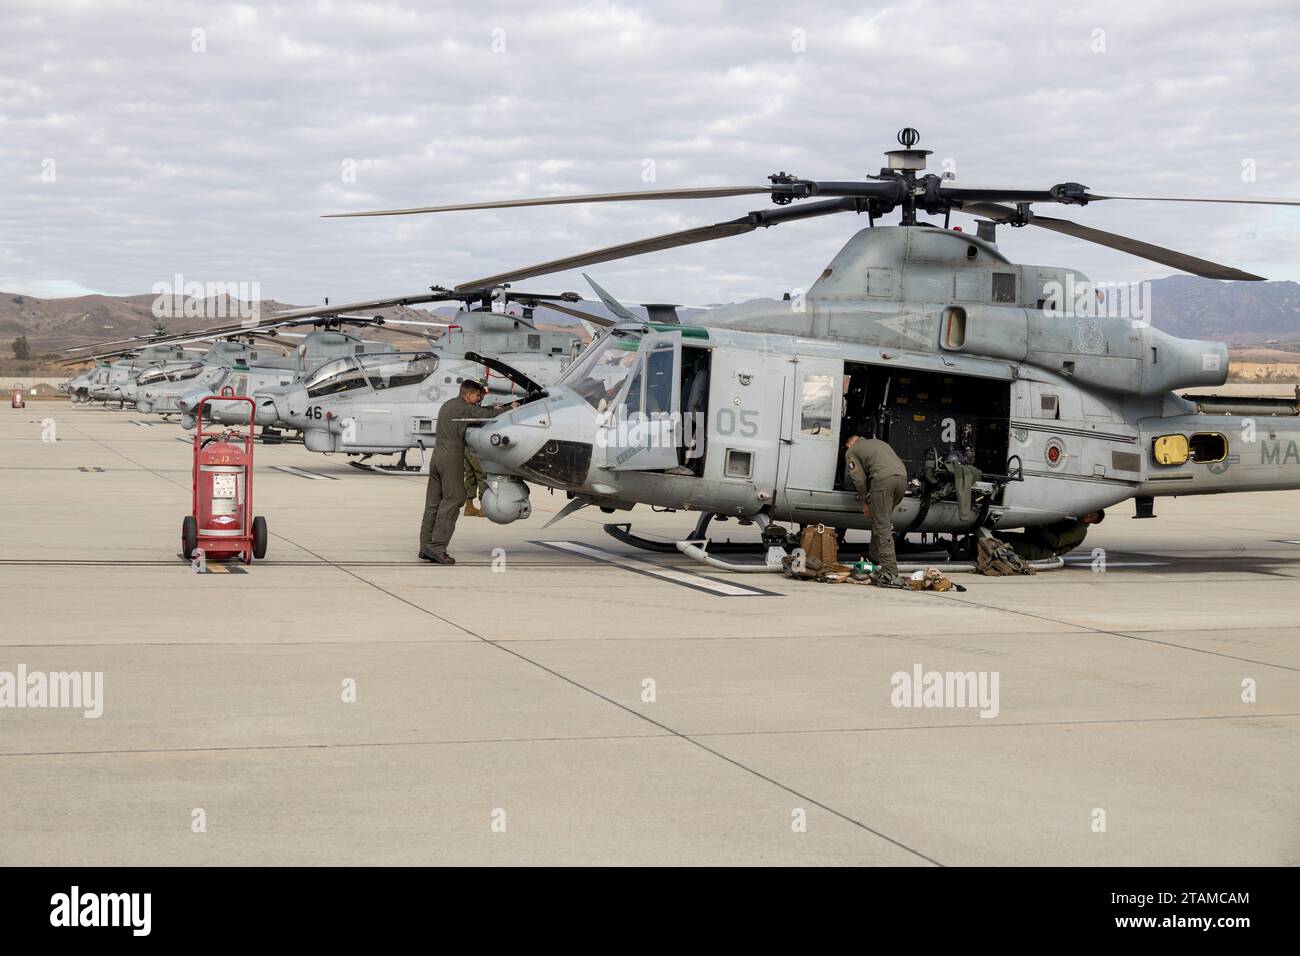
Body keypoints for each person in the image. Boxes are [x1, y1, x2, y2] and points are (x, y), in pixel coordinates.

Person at [419, 380, 505, 565]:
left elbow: (477, 411)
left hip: (437, 456)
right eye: (477, 396)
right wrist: (511, 408)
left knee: (433, 502)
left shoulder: (449, 404)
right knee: (454, 499)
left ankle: (425, 546)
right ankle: (437, 548)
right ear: (468, 395)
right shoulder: (465, 408)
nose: (479, 399)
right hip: (451, 457)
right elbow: (487, 415)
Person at [844, 434, 908, 586]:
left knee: (882, 526)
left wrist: (864, 502)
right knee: (880, 521)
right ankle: (872, 560)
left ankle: (890, 572)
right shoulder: (879, 443)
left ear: (849, 445)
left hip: (883, 481)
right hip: (902, 479)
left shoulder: (852, 450)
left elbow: (858, 479)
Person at [999, 511, 1105, 560]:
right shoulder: (1074, 520)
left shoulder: (1079, 530)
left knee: (999, 545)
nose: (1088, 515)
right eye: (1091, 512)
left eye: (1092, 517)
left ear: (1092, 522)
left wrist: (1040, 527)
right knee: (998, 537)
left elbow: (1056, 542)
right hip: (1033, 541)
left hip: (1039, 550)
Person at [463, 450, 488, 518]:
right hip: (474, 448)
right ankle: (483, 508)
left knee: (470, 475)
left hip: (466, 446)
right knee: (482, 475)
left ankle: (469, 506)